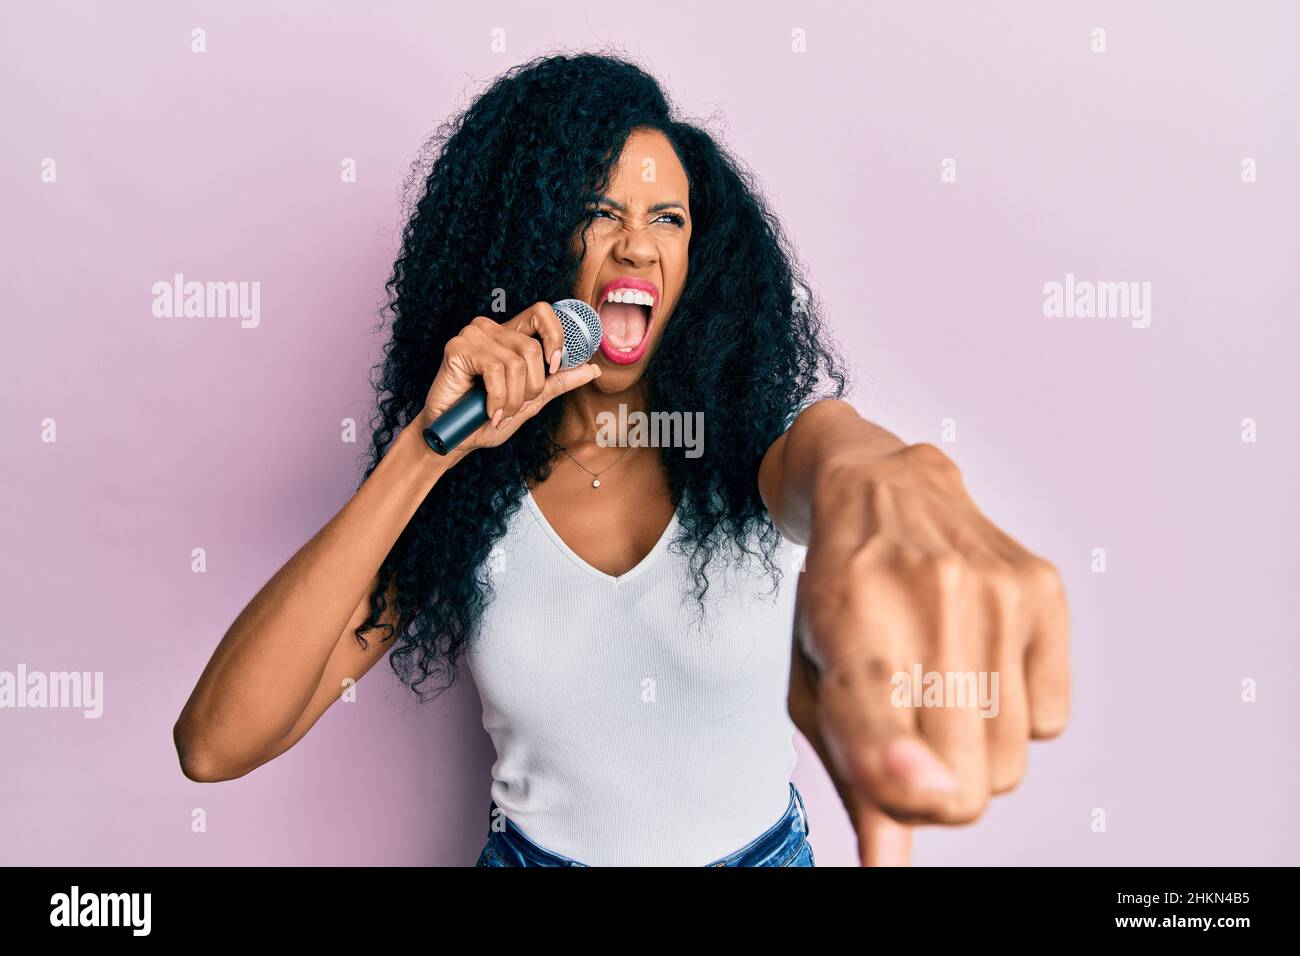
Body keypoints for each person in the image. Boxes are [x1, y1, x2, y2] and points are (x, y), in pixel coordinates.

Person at [172, 52, 1070, 867]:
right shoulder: (465, 495)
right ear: (530, 240)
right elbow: (216, 744)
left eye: (666, 218)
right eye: (597, 212)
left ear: (697, 256)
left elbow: (839, 460)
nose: (637, 242)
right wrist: (423, 450)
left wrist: (893, 482)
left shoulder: (756, 441)